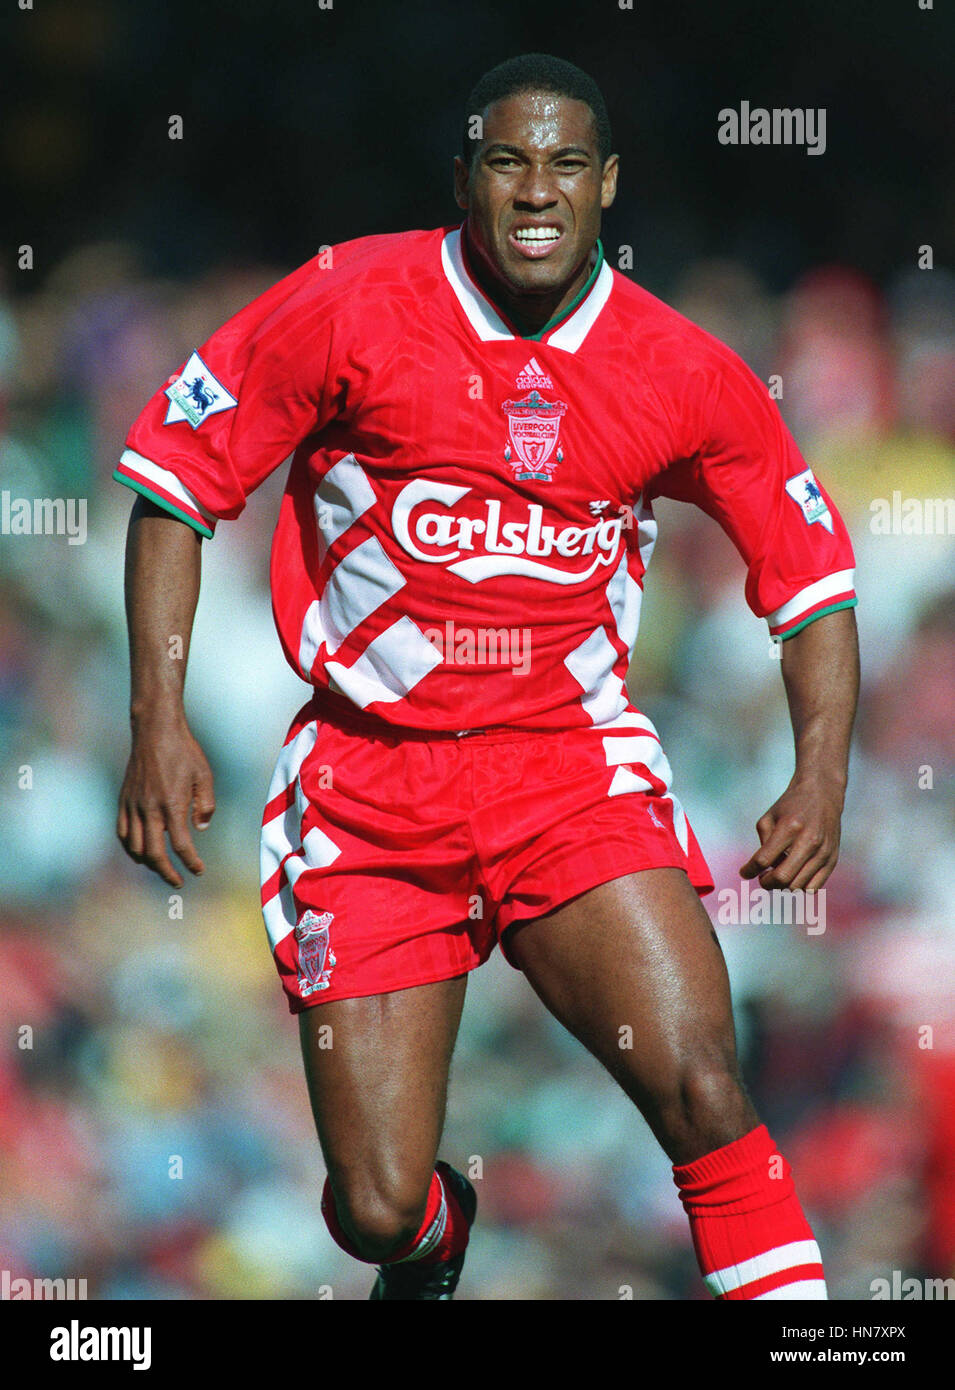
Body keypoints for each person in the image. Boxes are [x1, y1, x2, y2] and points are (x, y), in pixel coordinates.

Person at [115, 53, 860, 1300]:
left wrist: (822, 770)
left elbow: (811, 577)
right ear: (462, 178)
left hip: (569, 776)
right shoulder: (348, 300)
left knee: (699, 1081)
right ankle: (434, 1235)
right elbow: (175, 481)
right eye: (507, 162)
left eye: (566, 164)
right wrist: (158, 720)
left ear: (607, 184)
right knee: (371, 1206)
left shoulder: (678, 365)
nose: (536, 191)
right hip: (367, 786)